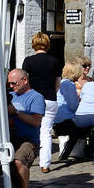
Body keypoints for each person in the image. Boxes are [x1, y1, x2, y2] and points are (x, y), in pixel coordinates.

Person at [22, 31, 62, 173]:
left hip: (34, 100)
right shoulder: (55, 62)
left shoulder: (28, 61)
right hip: (50, 99)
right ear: (47, 44)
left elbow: (24, 83)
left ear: (34, 44)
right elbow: (58, 85)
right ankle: (44, 164)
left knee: (31, 130)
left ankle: (25, 158)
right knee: (46, 132)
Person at [7, 68, 46, 188]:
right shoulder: (10, 95)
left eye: (14, 83)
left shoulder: (36, 97)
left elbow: (36, 121)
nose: (11, 87)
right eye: (9, 84)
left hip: (28, 139)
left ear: (25, 80)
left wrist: (16, 112)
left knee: (19, 159)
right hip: (9, 137)